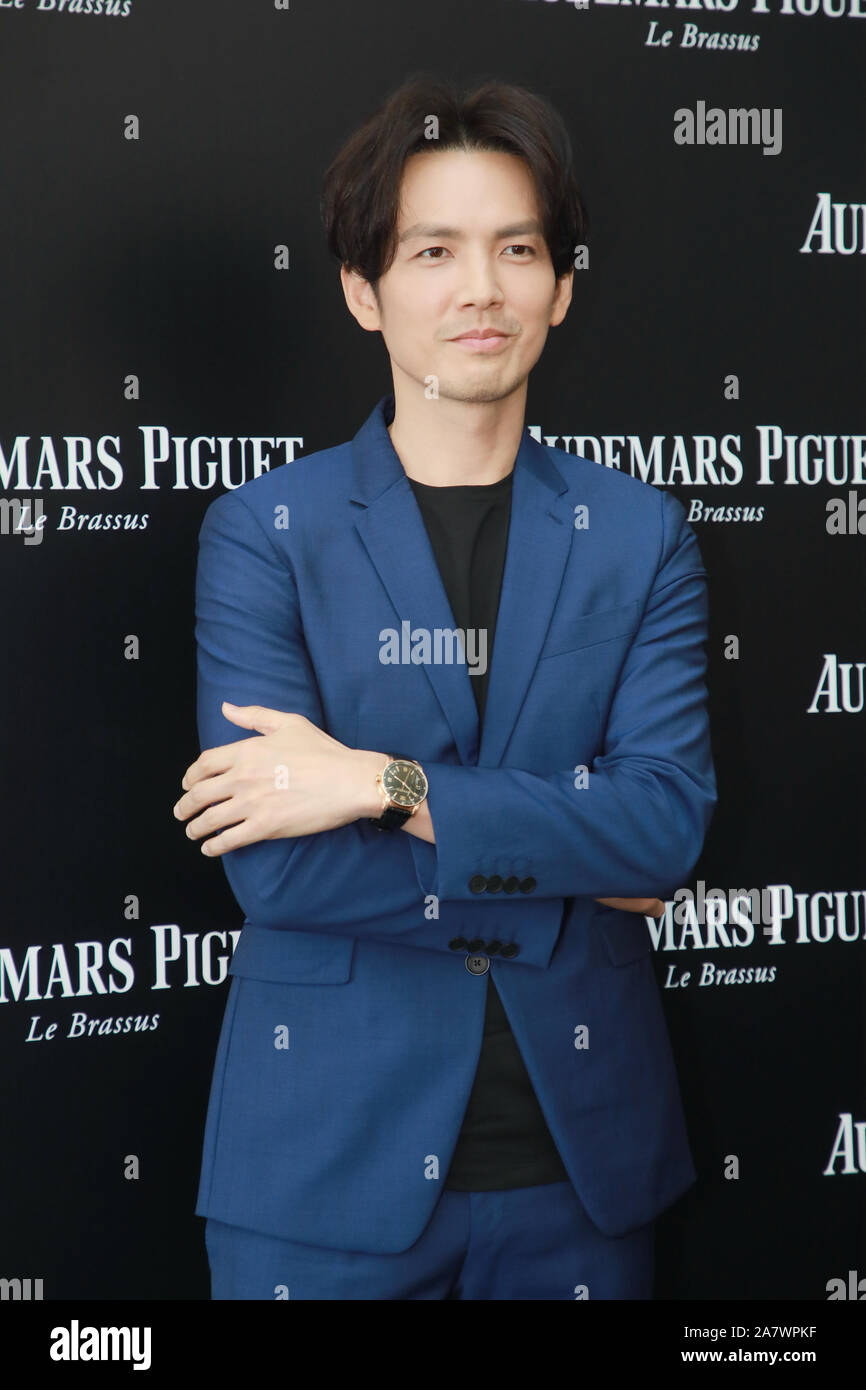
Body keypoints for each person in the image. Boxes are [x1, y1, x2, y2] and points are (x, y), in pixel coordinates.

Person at [173, 74, 717, 1300]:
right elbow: (275, 864)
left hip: (583, 1182)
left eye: (516, 248)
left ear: (560, 284)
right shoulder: (267, 532)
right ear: (364, 291)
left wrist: (379, 782)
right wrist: (570, 883)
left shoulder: (638, 536)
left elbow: (662, 826)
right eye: (433, 251)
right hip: (322, 1178)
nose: (480, 287)